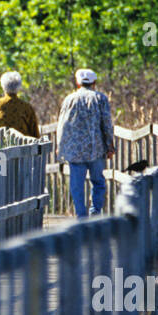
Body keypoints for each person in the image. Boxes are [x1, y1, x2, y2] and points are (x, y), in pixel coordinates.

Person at [57, 68, 114, 217]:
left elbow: (62, 125)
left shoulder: (69, 99)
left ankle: (81, 216)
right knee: (98, 182)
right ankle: (95, 213)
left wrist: (60, 146)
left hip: (75, 150)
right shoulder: (101, 99)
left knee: (77, 186)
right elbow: (107, 124)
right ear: (94, 82)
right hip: (96, 149)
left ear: (78, 83)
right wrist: (110, 145)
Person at [0, 71, 40, 138]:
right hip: (22, 146)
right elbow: (35, 134)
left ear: (3, 86)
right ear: (19, 87)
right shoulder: (27, 108)